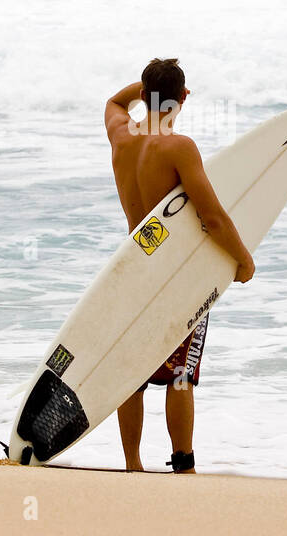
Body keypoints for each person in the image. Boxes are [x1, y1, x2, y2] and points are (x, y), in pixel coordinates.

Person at [104, 58, 255, 474]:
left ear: (146, 92)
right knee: (180, 374)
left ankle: (133, 464)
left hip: (133, 266)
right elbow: (214, 217)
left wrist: (149, 89)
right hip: (173, 275)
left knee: (132, 370)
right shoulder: (178, 147)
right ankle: (183, 464)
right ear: (183, 97)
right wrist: (243, 260)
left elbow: (114, 101)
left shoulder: (121, 136)